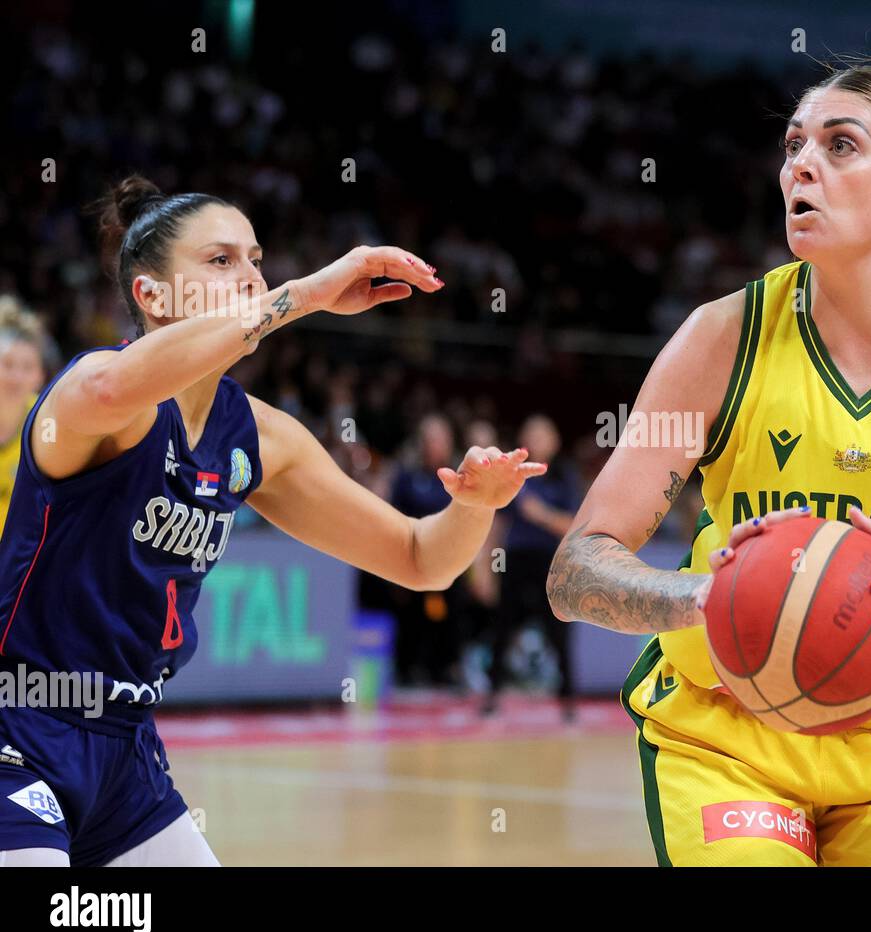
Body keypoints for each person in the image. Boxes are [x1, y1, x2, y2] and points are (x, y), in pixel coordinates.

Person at [547, 60, 871, 866]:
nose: (801, 165)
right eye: (794, 146)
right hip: (729, 736)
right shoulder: (723, 337)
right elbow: (576, 570)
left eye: (840, 144)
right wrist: (710, 598)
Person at [0, 176, 546, 867]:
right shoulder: (96, 390)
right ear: (152, 296)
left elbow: (419, 557)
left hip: (125, 753)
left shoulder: (259, 436)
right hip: (17, 729)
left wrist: (473, 505)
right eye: (221, 260)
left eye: (256, 260)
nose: (251, 277)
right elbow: (114, 388)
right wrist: (308, 293)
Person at [482, 414, 579, 717]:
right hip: (515, 560)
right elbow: (498, 524)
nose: (536, 440)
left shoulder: (564, 477)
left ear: (555, 441)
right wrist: (488, 569)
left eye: (542, 435)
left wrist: (541, 514)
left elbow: (573, 523)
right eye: (531, 434)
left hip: (550, 562)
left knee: (559, 630)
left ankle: (567, 699)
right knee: (502, 627)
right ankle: (492, 694)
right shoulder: (514, 475)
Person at [388, 413, 469, 686]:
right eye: (432, 439)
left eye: (442, 438)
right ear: (421, 443)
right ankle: (408, 669)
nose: (437, 444)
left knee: (450, 617)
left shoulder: (461, 476)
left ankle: (447, 669)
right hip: (412, 558)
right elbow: (394, 515)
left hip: (451, 560)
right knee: (412, 617)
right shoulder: (407, 476)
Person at [0, 298, 49, 535]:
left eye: (28, 367)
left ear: (40, 375)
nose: (16, 378)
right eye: (7, 364)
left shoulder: (47, 423)